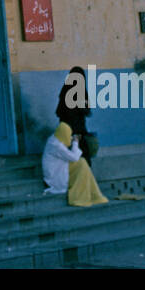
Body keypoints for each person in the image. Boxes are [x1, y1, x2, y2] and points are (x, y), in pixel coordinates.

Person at [42, 67, 108, 206]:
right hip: (74, 135)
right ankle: (82, 190)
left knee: (78, 161)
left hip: (70, 134)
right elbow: (80, 113)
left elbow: (62, 113)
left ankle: (86, 189)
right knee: (79, 161)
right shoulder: (75, 93)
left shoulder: (67, 92)